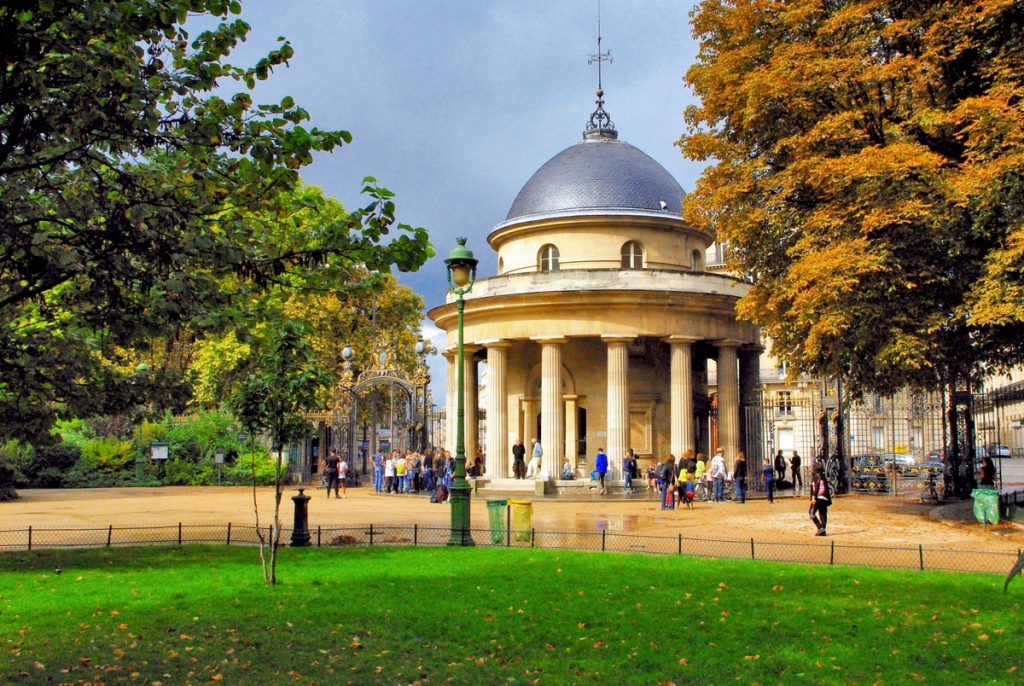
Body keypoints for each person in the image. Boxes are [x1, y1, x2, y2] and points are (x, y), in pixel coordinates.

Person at [809, 464, 831, 536]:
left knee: (811, 513)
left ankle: (821, 528)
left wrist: (814, 498)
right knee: (823, 514)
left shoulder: (816, 476)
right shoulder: (823, 477)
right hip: (824, 498)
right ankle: (822, 531)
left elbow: (817, 488)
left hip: (818, 498)